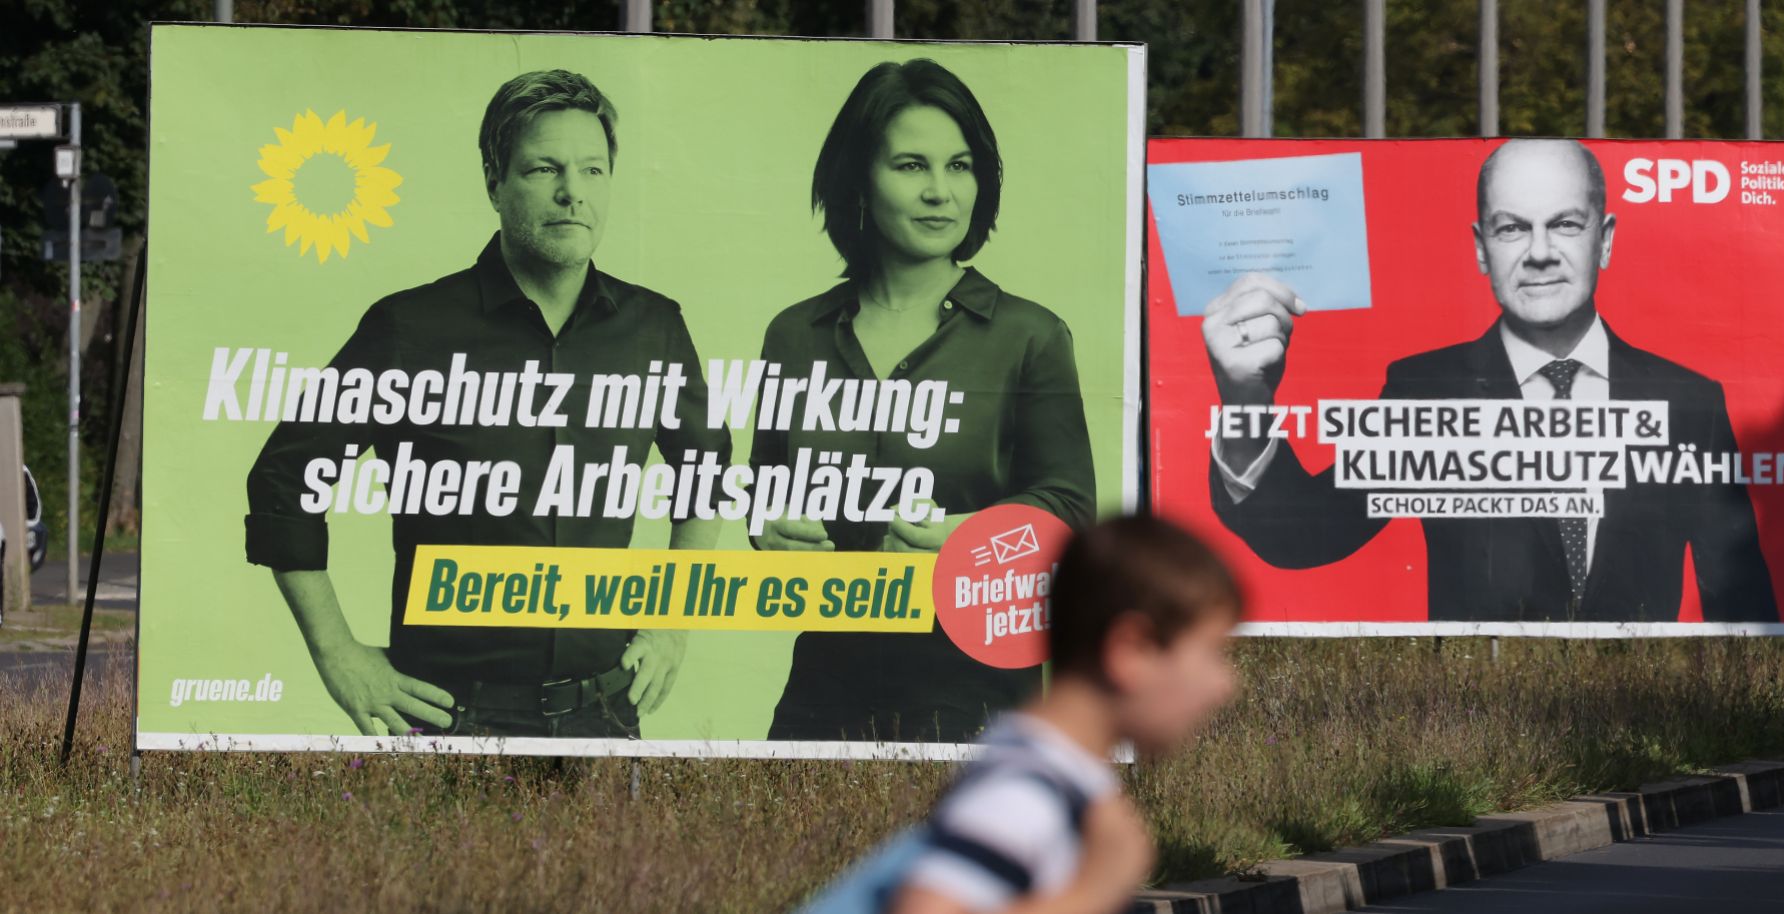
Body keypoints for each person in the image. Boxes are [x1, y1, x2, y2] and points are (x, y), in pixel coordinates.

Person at [244, 70, 729, 738]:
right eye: (543, 169)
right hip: (450, 716)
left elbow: (707, 475)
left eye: (593, 170)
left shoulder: (655, 327)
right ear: (494, 181)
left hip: (607, 715)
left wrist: (673, 626)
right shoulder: (409, 329)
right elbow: (284, 480)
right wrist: (338, 655)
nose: (572, 193)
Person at [1205, 138, 1777, 623]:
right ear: (1482, 249)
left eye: (1565, 224)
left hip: (1647, 713)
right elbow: (1305, 536)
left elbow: (1743, 601)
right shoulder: (1427, 388)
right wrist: (1244, 401)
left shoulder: (1688, 401)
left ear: (1604, 239)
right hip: (1482, 716)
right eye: (1511, 230)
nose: (1540, 253)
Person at [752, 59, 1097, 741]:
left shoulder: (1030, 335)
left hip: (981, 700)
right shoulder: (795, 335)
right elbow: (767, 489)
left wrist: (963, 538)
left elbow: (1069, 507)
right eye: (911, 166)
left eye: (959, 166)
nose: (941, 192)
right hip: (821, 693)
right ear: (859, 181)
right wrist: (770, 527)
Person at [795, 514, 1243, 914]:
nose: (1226, 685)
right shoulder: (1027, 791)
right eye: (1212, 653)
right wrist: (1093, 891)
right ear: (1131, 650)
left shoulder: (1043, 773)